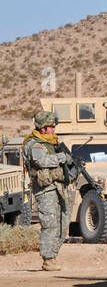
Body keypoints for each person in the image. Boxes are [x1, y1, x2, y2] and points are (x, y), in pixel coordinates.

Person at [22, 111, 74, 271]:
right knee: (49, 223)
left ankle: (54, 254)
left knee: (63, 223)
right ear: (43, 128)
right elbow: (41, 161)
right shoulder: (34, 144)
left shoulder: (52, 143)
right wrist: (61, 158)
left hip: (58, 186)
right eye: (51, 126)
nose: (53, 129)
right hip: (45, 189)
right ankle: (48, 259)